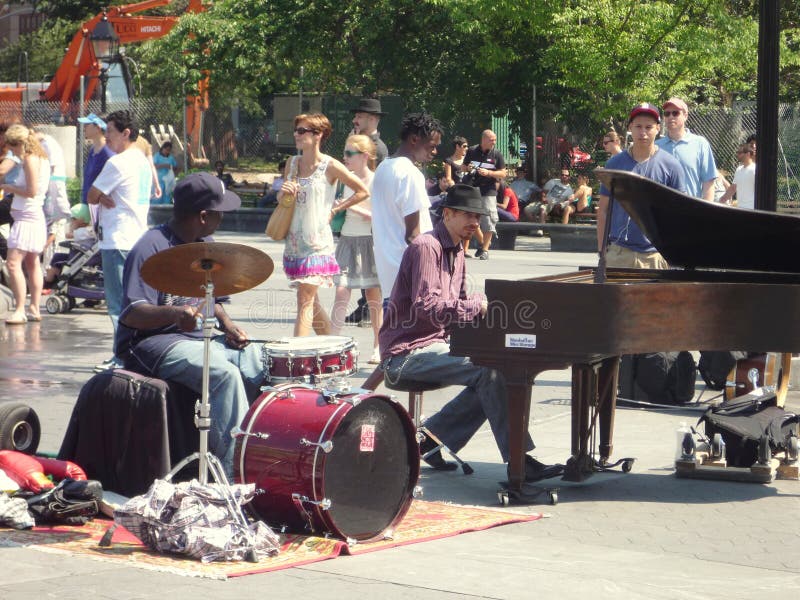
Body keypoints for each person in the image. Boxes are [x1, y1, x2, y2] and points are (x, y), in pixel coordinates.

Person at [380, 184, 552, 481]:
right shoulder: (426, 247)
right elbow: (427, 306)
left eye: (478, 216)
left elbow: (457, 306)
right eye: (468, 215)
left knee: (499, 368)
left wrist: (490, 322)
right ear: (447, 214)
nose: (475, 222)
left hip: (435, 344)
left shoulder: (458, 248)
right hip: (406, 353)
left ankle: (430, 439)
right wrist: (476, 306)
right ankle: (518, 461)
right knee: (490, 372)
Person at [115, 172, 263, 477]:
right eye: (220, 212)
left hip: (197, 337)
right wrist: (175, 315)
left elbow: (213, 299)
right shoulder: (150, 246)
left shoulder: (205, 244)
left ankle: (261, 459)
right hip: (152, 343)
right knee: (224, 375)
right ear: (204, 216)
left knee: (258, 362)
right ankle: (231, 476)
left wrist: (227, 324)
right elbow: (132, 313)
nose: (223, 217)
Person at [278, 113, 369, 336]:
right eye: (296, 130)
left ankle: (297, 354)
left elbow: (362, 191)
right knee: (312, 302)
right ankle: (334, 348)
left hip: (317, 244)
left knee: (305, 300)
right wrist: (283, 193)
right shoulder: (292, 163)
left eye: (302, 131)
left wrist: (336, 209)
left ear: (318, 135)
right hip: (295, 242)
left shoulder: (330, 165)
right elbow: (284, 201)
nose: (296, 135)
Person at [87, 110, 153, 369]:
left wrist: (101, 196)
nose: (107, 137)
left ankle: (122, 358)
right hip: (137, 237)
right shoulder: (141, 160)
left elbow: (91, 195)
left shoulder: (118, 162)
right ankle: (135, 353)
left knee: (118, 305)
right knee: (135, 302)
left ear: (126, 133)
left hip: (117, 239)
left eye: (110, 132)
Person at [597, 103, 686, 269]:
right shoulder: (614, 164)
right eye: (638, 126)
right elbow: (603, 209)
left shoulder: (671, 166)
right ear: (630, 127)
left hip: (656, 255)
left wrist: (673, 253)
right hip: (619, 253)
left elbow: (679, 214)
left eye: (648, 127)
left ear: (658, 128)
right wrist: (602, 251)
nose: (643, 132)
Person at [371, 112, 441, 298]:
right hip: (410, 278)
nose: (434, 152)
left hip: (390, 278)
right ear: (414, 139)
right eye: (432, 146)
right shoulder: (410, 173)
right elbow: (414, 236)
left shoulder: (383, 167)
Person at [330, 134, 382, 363]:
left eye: (349, 153)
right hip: (346, 240)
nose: (345, 157)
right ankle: (332, 344)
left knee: (373, 296)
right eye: (344, 152)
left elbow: (380, 216)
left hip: (368, 241)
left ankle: (379, 345)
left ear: (365, 156)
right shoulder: (345, 179)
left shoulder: (375, 181)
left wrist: (351, 207)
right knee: (341, 291)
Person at [345, 98, 390, 325]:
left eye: (360, 116)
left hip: (369, 214)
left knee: (370, 265)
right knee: (361, 263)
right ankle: (365, 305)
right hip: (357, 214)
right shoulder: (357, 141)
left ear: (372, 119)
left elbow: (376, 184)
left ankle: (371, 310)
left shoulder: (377, 148)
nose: (355, 120)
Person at [1, 124, 50, 324]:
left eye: (12, 147)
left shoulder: (30, 159)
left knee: (13, 263)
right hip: (32, 215)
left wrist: (8, 187)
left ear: (19, 144)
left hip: (26, 216)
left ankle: (20, 309)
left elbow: (31, 191)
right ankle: (34, 308)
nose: (11, 152)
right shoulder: (40, 157)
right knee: (32, 262)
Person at [655, 97, 717, 201]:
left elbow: (709, 182)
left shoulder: (700, 144)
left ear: (685, 116)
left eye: (675, 113)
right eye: (667, 114)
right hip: (662, 208)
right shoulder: (656, 146)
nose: (670, 117)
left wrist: (706, 210)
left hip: (691, 208)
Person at [462, 129, 506, 260]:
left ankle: (485, 250)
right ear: (484, 140)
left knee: (488, 219)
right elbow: (463, 167)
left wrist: (489, 173)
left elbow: (503, 173)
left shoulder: (496, 154)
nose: (494, 142)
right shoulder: (472, 151)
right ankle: (482, 242)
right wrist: (468, 168)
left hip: (489, 190)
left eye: (495, 140)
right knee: (470, 218)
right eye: (491, 140)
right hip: (473, 189)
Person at [35, 129, 71, 273]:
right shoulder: (44, 144)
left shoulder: (49, 144)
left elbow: (52, 166)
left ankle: (52, 272)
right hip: (50, 198)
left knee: (55, 235)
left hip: (54, 197)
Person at [351, 98, 389, 165]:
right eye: (355, 116)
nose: (354, 120)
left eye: (359, 117)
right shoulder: (356, 142)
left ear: (372, 119)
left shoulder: (378, 149)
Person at [719, 143, 756, 209]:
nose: (737, 154)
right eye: (737, 152)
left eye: (739, 152)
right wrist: (722, 199)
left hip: (752, 208)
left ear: (748, 154)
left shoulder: (755, 169)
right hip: (740, 208)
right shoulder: (739, 169)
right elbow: (733, 188)